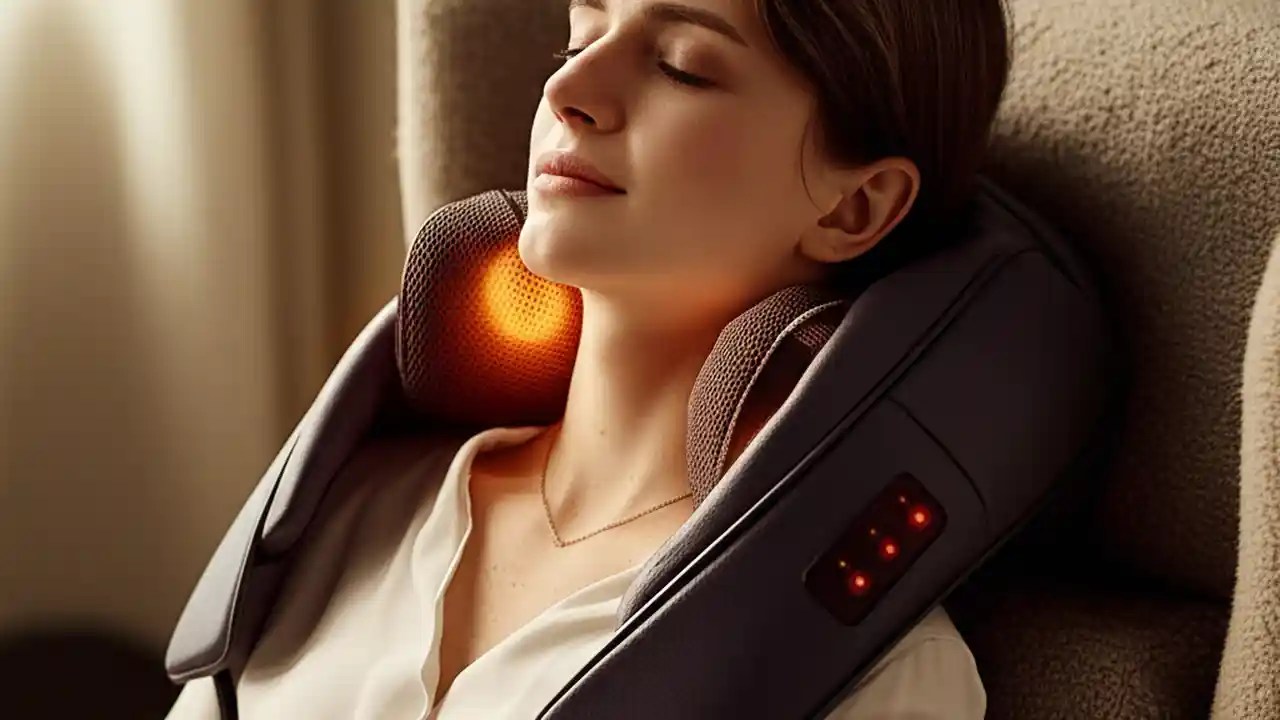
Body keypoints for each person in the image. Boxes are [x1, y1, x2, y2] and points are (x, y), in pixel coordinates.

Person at [165, 0, 1009, 717]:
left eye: (682, 66)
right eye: (579, 37)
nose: (567, 91)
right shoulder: (346, 507)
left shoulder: (864, 669)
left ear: (857, 205)